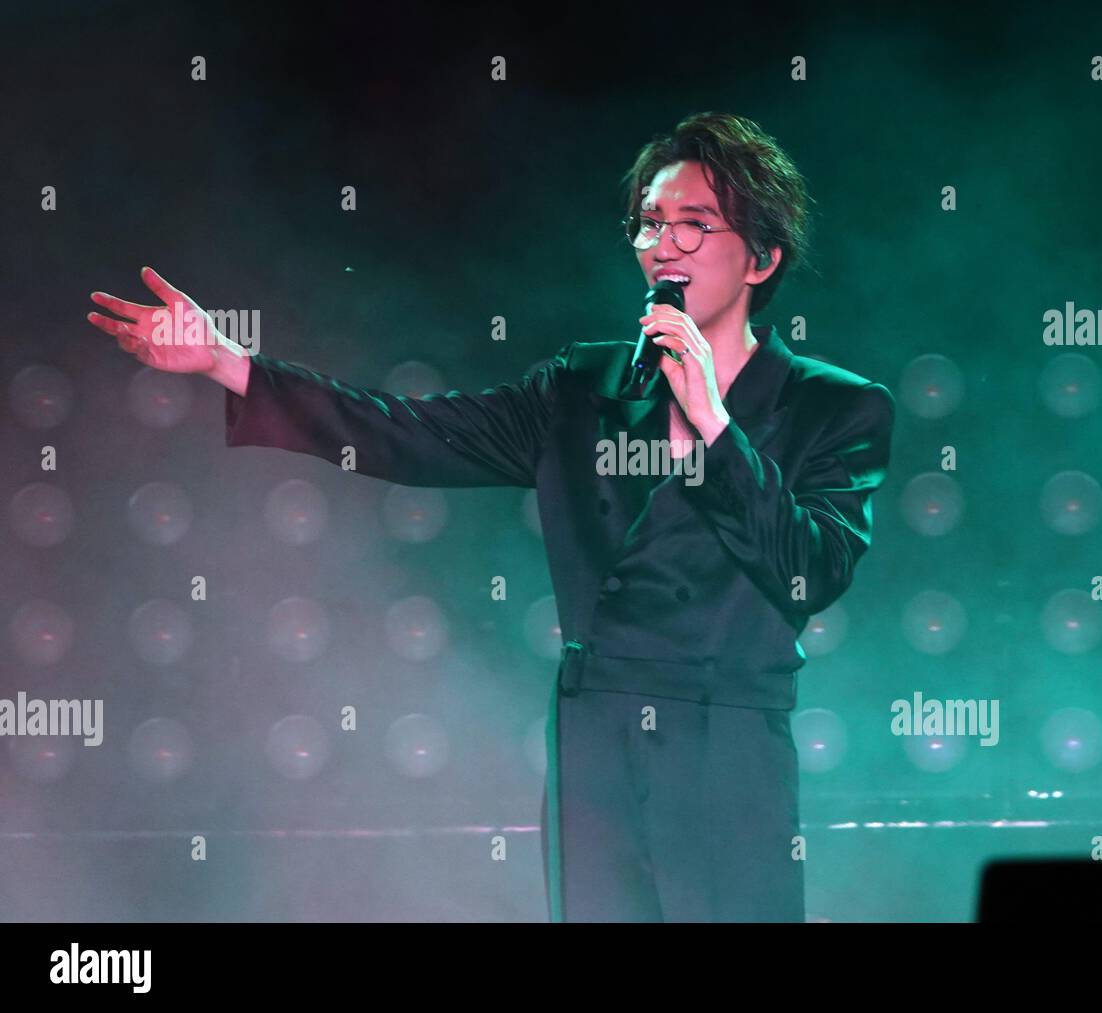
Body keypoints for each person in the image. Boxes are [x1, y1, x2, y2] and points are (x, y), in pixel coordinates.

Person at [87, 112, 896, 922]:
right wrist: (231, 362)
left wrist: (715, 424)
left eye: (695, 224)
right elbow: (407, 435)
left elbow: (810, 568)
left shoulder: (833, 405)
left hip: (727, 745)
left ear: (762, 255)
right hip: (596, 736)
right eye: (650, 223)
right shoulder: (583, 388)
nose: (666, 245)